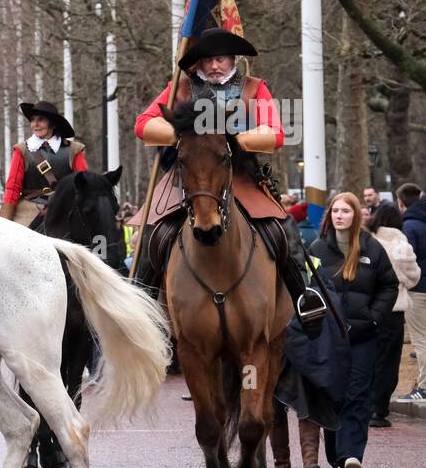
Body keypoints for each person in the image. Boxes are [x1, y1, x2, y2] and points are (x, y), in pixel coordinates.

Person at [131, 27, 326, 331]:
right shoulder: (179, 88)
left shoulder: (253, 88)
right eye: (207, 60)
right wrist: (189, 135)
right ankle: (140, 306)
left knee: (282, 228)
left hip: (242, 176)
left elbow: (275, 133)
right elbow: (143, 125)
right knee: (156, 232)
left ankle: (304, 298)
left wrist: (230, 139)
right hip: (190, 177)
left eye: (220, 58)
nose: (214, 66)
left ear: (232, 58)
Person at [308, 192, 399, 468]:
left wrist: (373, 318)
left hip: (364, 335)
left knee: (358, 394)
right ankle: (336, 454)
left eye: (346, 211)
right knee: (334, 395)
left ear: (356, 215)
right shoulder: (318, 249)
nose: (340, 215)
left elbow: (389, 285)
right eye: (335, 210)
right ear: (329, 215)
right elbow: (309, 290)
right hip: (330, 338)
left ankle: (352, 455)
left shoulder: (373, 248)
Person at [367, 202, 421, 427]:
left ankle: (364, 402)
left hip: (369, 305)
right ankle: (379, 408)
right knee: (388, 360)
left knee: (367, 356)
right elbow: (414, 276)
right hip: (394, 308)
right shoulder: (402, 244)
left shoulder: (368, 240)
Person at [0, 101, 88, 227]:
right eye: (33, 120)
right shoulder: (21, 150)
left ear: (53, 123)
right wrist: (3, 223)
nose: (35, 124)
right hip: (29, 210)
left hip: (66, 207)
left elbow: (84, 186)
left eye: (41, 119)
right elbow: (13, 188)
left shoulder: (74, 149)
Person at [396, 181, 426, 400]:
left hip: (417, 289)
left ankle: (425, 387)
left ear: (401, 202)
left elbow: (407, 260)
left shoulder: (409, 227)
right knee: (425, 339)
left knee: (420, 341)